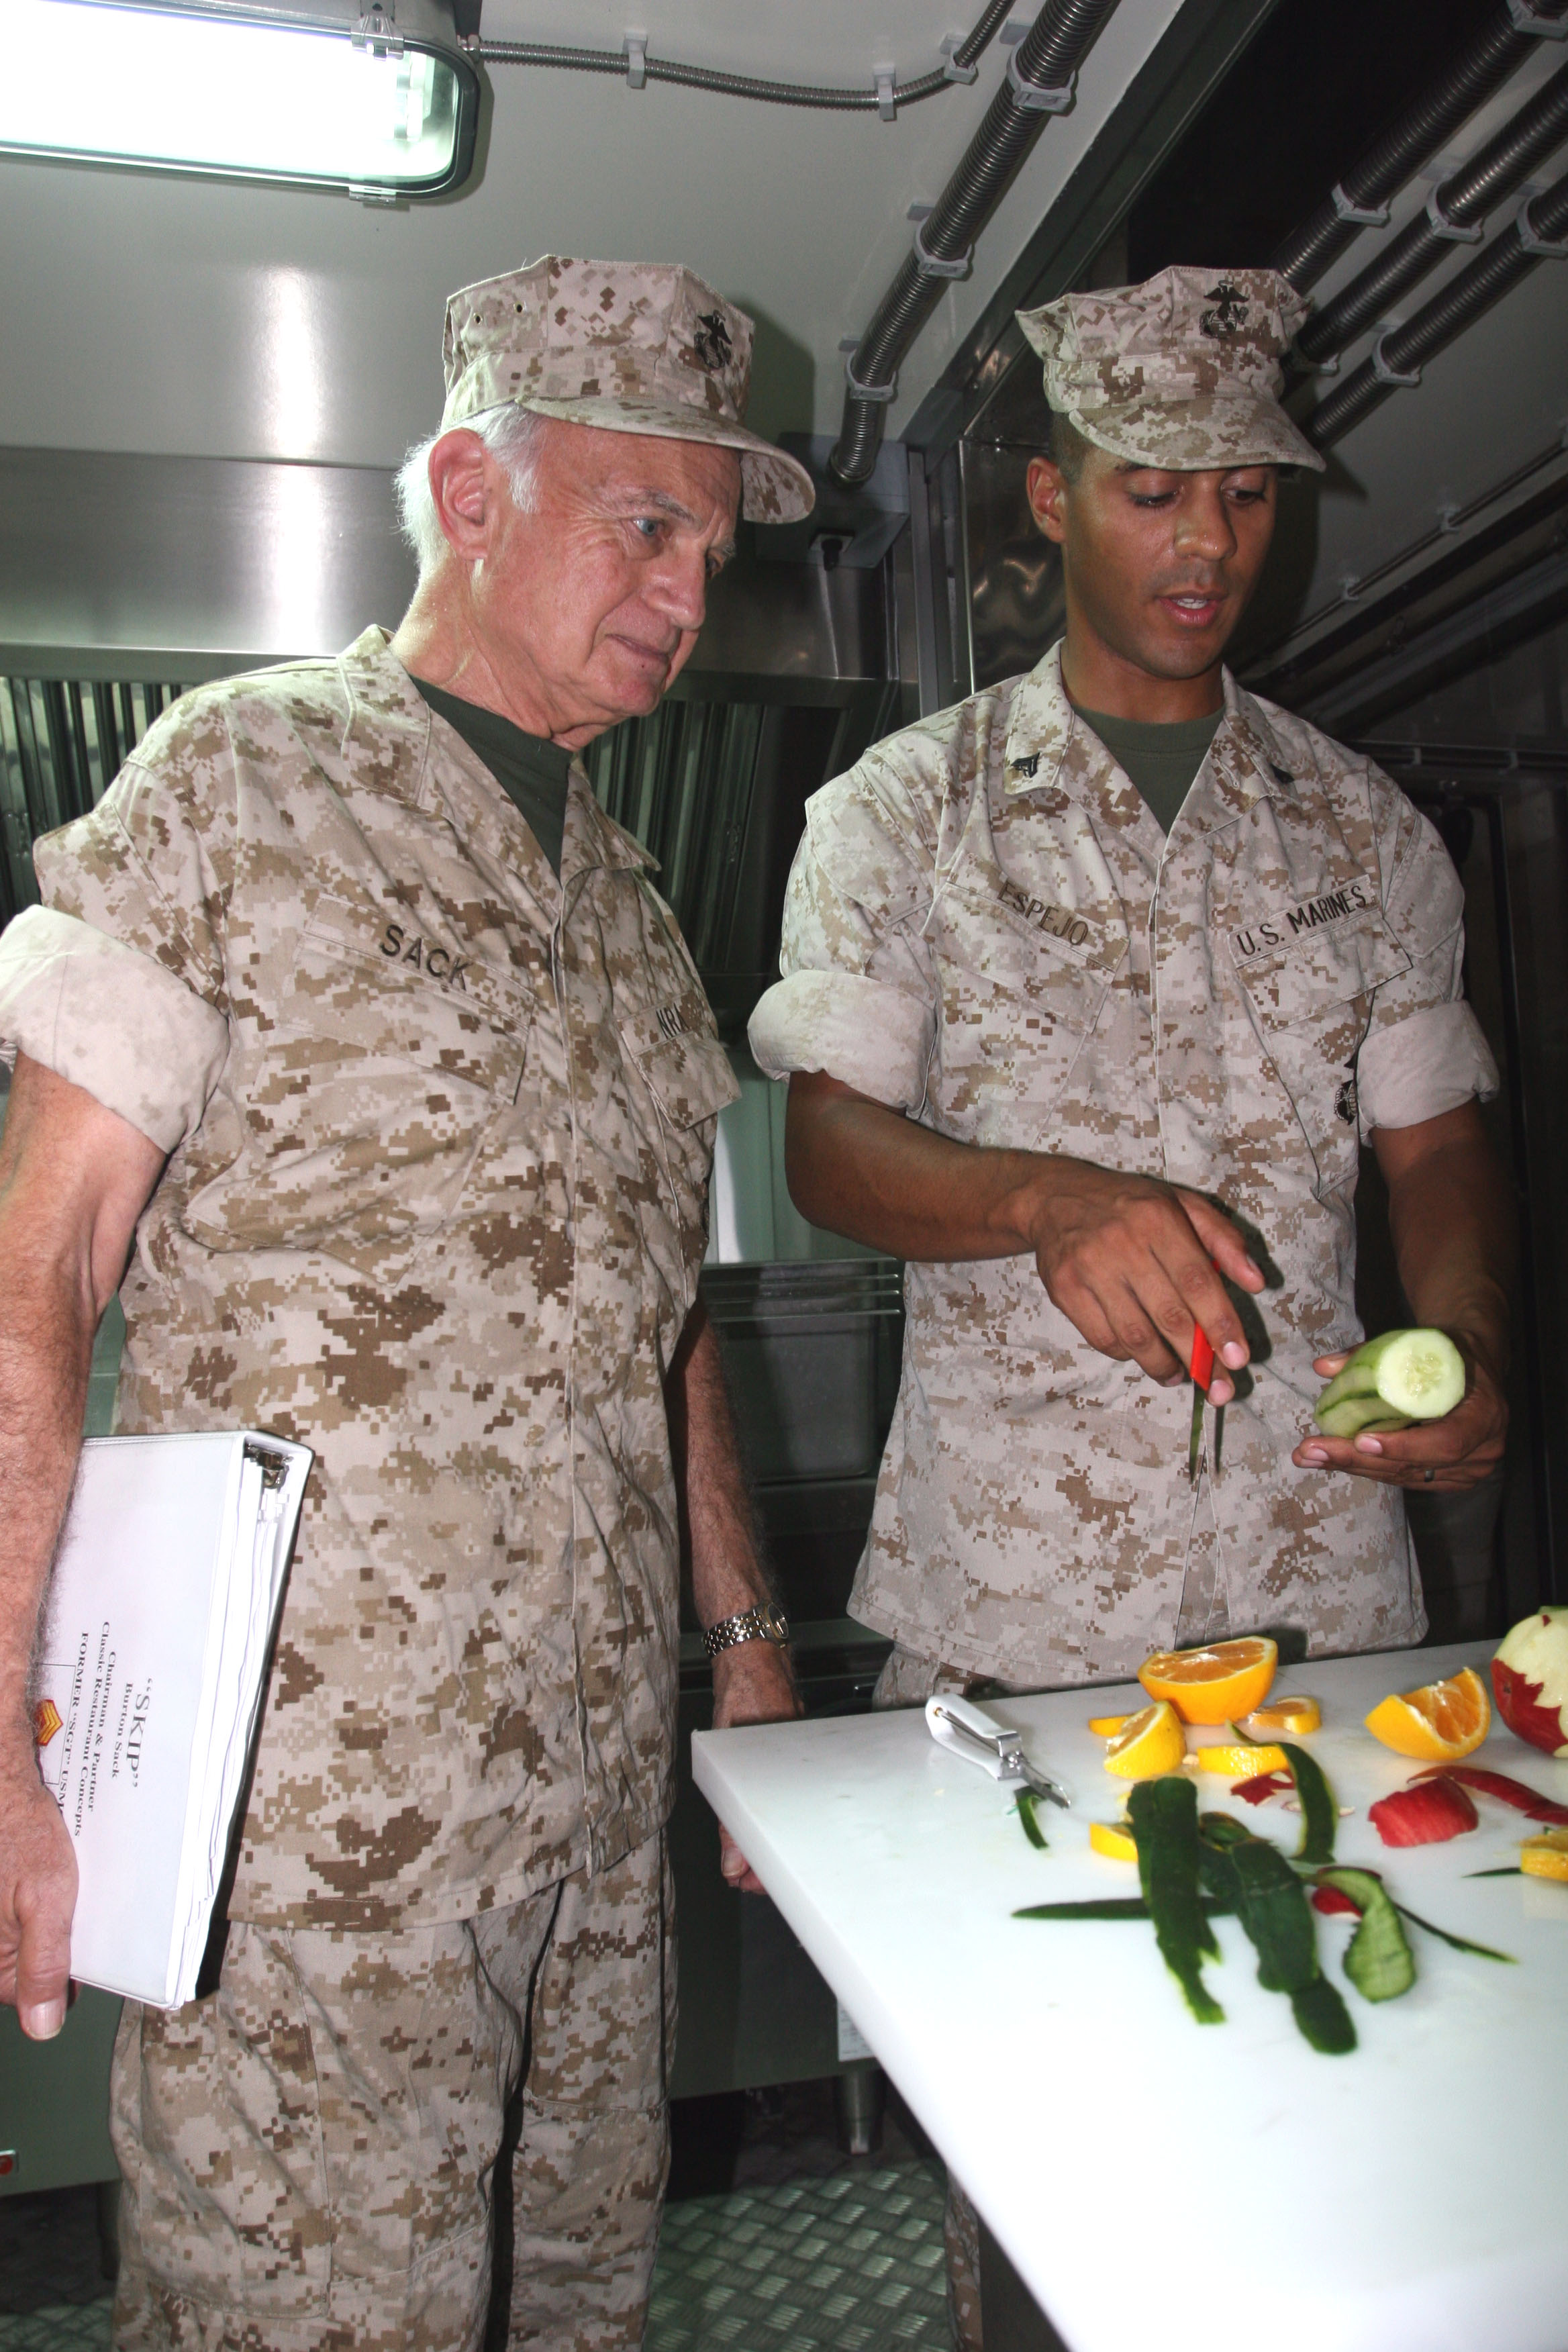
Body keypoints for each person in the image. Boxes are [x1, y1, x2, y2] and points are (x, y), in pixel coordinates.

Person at [0, 256, 808, 2352]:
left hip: (591, 1816)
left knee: (571, 2309)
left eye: (710, 551)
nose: (687, 596)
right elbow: (39, 1263)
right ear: (469, 486)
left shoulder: (631, 910)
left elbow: (671, 1323)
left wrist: (743, 1645)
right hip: (313, 1841)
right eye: (648, 524)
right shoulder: (240, 780)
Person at [748, 266, 1512, 2348]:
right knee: (1048, 2151)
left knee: (1340, 2111)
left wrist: (1467, 1351)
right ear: (1049, 497)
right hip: (1018, 1616)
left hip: (1318, 1589)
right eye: (1156, 487)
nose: (1208, 544)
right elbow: (829, 1145)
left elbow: (1436, 1144)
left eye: (1250, 498)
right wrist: (1039, 1196)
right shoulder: (899, 813)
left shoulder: (1367, 833)